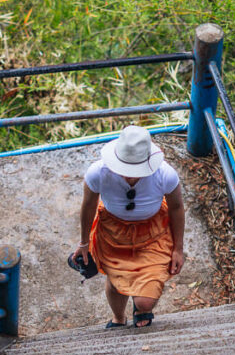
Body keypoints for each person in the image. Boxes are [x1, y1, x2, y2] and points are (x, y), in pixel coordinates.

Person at [72, 125, 185, 328]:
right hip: (113, 232)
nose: (129, 176)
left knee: (146, 300)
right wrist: (83, 242)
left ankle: (141, 308)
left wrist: (178, 248)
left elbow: (176, 207)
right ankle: (118, 317)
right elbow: (88, 205)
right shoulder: (98, 173)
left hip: (153, 233)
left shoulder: (165, 175)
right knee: (116, 282)